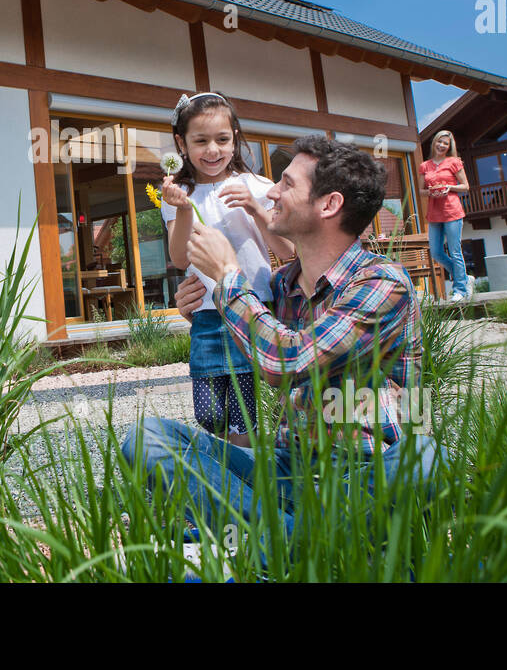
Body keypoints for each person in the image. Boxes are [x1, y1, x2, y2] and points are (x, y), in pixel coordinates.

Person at [121, 135, 445, 550]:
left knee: (425, 460)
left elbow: (287, 360)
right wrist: (203, 307)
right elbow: (256, 335)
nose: (272, 191)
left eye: (287, 184)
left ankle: (269, 542)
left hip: (366, 470)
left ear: (328, 205)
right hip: (288, 468)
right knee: (148, 438)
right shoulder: (283, 286)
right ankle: (300, 542)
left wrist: (227, 277)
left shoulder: (383, 282)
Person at [159, 92, 294, 444]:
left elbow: (288, 249)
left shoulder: (259, 187)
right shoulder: (178, 194)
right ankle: (235, 465)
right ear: (181, 144)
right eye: (200, 141)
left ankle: (246, 472)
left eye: (222, 139)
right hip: (206, 314)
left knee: (247, 410)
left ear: (235, 136)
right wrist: (184, 209)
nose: (213, 150)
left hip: (255, 308)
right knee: (209, 412)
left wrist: (256, 209)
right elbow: (179, 258)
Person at [420, 130, 471, 301]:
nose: (442, 145)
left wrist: (450, 188)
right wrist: (430, 192)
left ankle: (460, 290)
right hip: (434, 212)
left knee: (455, 251)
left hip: (452, 210)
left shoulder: (454, 162)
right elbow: (420, 190)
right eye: (439, 142)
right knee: (436, 253)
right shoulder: (424, 166)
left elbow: (465, 186)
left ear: (449, 147)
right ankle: (463, 278)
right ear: (434, 142)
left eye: (446, 143)